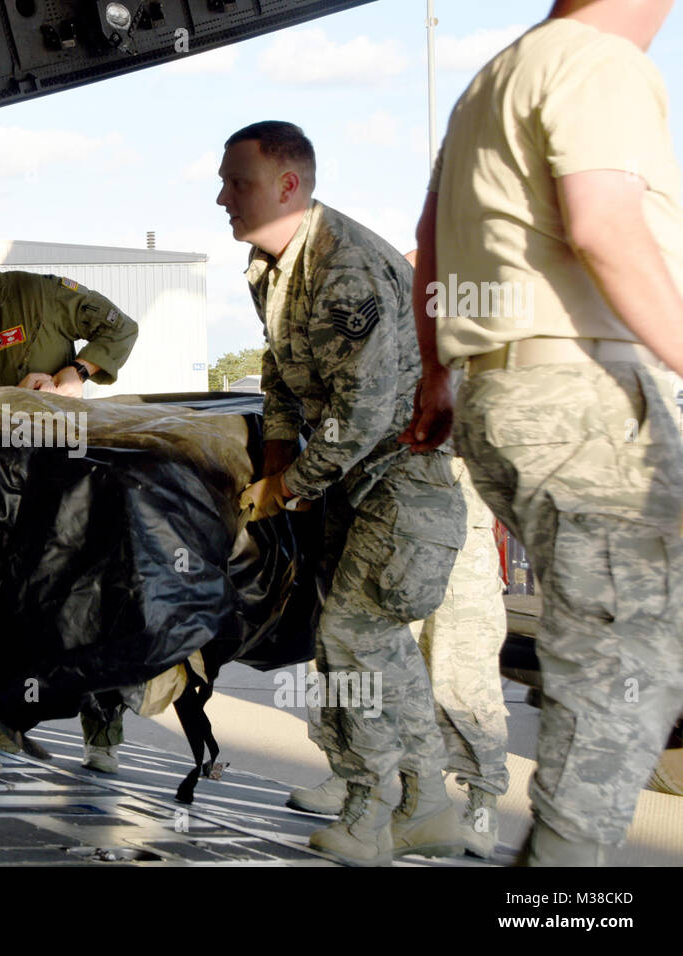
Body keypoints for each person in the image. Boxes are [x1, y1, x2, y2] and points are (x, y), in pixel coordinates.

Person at [403, 0, 683, 865]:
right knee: (619, 661)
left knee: (593, 640)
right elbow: (602, 222)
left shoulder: (491, 81)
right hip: (581, 389)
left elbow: (429, 246)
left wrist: (440, 379)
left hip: (500, 392)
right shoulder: (597, 61)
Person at [218, 121, 467, 865]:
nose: (222, 196)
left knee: (352, 639)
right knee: (377, 647)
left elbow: (361, 414)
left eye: (238, 182)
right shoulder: (274, 269)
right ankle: (426, 806)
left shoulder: (343, 269)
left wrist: (284, 487)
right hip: (350, 489)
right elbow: (282, 375)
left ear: (288, 186)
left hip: (399, 481)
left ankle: (370, 816)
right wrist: (274, 460)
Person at [288, 251, 512, 860]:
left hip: (455, 498)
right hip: (386, 497)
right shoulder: (381, 319)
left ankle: (479, 802)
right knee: (364, 651)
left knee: (459, 661)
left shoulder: (478, 331)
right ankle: (363, 776)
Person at [0, 222, 140, 772]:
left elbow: (121, 327)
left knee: (82, 593)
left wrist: (75, 372)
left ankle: (102, 736)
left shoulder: (42, 294)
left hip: (62, 468)